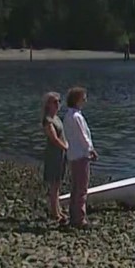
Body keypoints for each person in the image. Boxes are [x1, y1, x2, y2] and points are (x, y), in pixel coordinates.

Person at [62, 87, 97, 229]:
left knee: (75, 186)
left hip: (72, 154)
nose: (85, 100)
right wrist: (91, 150)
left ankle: (73, 215)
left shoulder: (68, 116)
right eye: (83, 98)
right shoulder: (76, 117)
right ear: (77, 100)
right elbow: (83, 136)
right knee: (82, 187)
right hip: (80, 155)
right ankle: (79, 218)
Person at [40, 92, 68, 224]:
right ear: (48, 104)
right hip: (53, 154)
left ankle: (58, 208)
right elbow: (54, 139)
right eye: (54, 102)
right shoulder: (48, 120)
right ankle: (54, 211)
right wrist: (66, 147)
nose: (58, 104)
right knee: (54, 184)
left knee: (58, 182)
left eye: (59, 101)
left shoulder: (56, 117)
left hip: (60, 153)